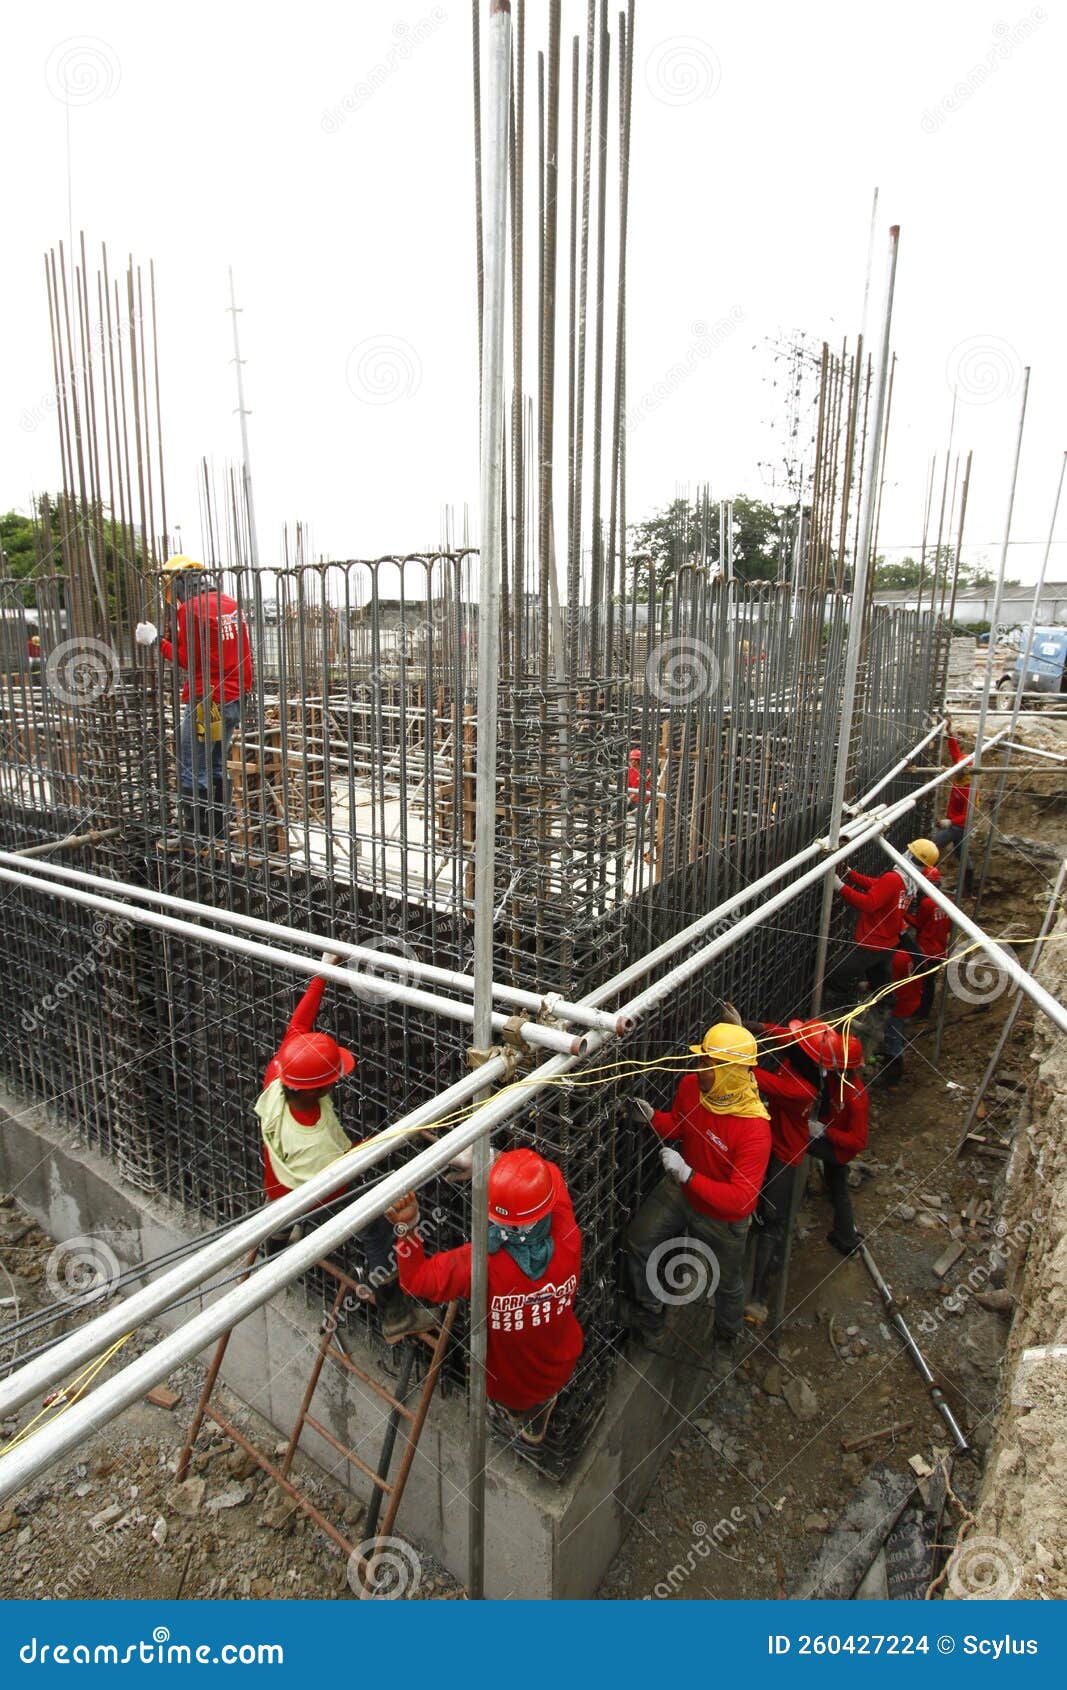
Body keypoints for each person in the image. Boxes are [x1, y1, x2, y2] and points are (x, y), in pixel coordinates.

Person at [255, 967, 432, 1344]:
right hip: (316, 1193)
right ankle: (395, 1313)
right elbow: (351, 1162)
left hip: (279, 1183)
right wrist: (402, 1133)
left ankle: (276, 1245)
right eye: (332, 1077)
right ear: (319, 1088)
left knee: (278, 1201)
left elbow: (297, 1027)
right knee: (377, 1220)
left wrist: (322, 970)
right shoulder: (317, 1141)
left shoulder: (277, 1075)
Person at [386, 1149, 582, 1446]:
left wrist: (408, 1227)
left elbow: (414, 1281)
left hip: (508, 1388)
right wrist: (495, 1163)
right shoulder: (567, 1232)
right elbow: (550, 1173)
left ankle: (519, 1415)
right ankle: (539, 1409)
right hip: (562, 1361)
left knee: (517, 1401)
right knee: (540, 1383)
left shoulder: (478, 1264)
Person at [625, 1024, 771, 1375]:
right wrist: (651, 1119)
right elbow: (679, 1125)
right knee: (638, 1240)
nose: (698, 1069)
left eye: (708, 1063)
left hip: (722, 1217)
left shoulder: (754, 1130)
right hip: (683, 1189)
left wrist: (687, 1174)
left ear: (731, 1074)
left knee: (727, 1284)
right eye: (701, 1060)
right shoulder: (692, 1087)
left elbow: (740, 1200)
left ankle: (725, 1338)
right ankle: (651, 1313)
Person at [135, 556, 253, 831]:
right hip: (233, 699)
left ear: (177, 584)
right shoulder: (230, 603)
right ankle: (217, 829)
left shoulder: (190, 609)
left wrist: (155, 642)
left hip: (208, 703)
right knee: (213, 763)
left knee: (192, 767)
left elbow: (189, 660)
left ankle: (196, 834)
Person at [825, 839, 939, 1043]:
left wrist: (840, 887)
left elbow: (869, 903)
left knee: (835, 975)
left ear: (908, 853)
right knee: (882, 991)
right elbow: (875, 885)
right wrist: (849, 873)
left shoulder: (895, 878)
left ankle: (839, 1019)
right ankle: (875, 1031)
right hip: (887, 946)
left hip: (870, 945)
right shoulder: (908, 881)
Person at [904, 865, 951, 1017]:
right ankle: (924, 1013)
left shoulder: (927, 903)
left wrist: (903, 913)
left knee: (920, 982)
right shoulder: (947, 901)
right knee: (929, 982)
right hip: (940, 949)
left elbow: (918, 924)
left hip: (926, 950)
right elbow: (948, 926)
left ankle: (918, 1012)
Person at [932, 718, 973, 861]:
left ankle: (928, 878)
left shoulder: (969, 789)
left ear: (967, 771)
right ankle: (968, 876)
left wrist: (949, 822)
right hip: (952, 822)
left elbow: (968, 815)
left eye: (960, 769)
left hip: (958, 827)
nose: (956, 770)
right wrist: (949, 730)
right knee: (961, 855)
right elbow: (954, 749)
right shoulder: (960, 772)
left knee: (932, 846)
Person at [882, 950, 923, 1086]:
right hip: (911, 999)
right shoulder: (905, 954)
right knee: (895, 1035)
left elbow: (888, 984)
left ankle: (892, 1080)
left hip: (900, 1005)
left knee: (893, 1040)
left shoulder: (895, 960)